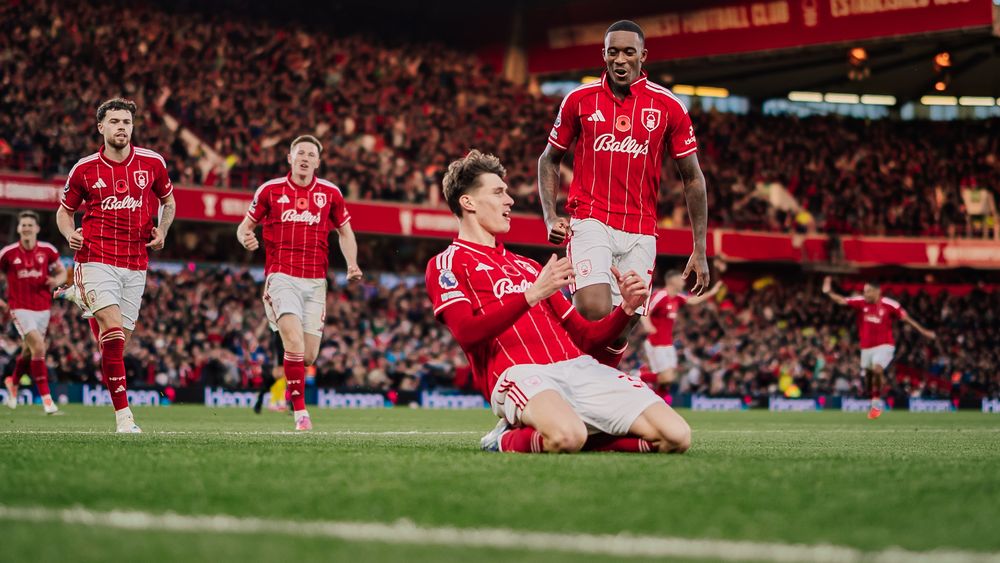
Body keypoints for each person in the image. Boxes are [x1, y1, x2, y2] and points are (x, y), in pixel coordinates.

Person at [427, 150, 691, 454]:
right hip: (520, 372)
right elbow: (467, 334)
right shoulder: (446, 263)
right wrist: (530, 296)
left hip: (578, 367)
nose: (510, 200)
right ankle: (502, 439)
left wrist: (626, 310)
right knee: (566, 437)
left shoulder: (530, 267)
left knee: (676, 437)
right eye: (499, 192)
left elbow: (588, 337)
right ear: (468, 202)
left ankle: (568, 431)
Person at [537, 19, 710, 368]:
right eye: (612, 52)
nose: (620, 59)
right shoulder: (579, 100)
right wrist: (551, 215)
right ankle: (570, 369)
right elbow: (549, 159)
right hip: (590, 220)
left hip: (641, 231)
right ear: (603, 54)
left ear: (642, 56)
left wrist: (700, 248)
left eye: (629, 52)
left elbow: (693, 178)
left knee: (623, 323)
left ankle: (592, 384)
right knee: (594, 307)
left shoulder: (668, 106)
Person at [56, 98, 176, 433]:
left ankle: (82, 299)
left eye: (126, 122)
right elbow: (64, 210)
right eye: (115, 121)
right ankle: (124, 417)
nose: (121, 127)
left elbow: (169, 201)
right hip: (95, 258)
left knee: (118, 342)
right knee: (110, 329)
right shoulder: (84, 168)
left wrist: (163, 229)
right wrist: (69, 233)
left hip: (136, 263)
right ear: (101, 127)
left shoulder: (152, 163)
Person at [237, 135, 362, 431]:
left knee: (307, 355)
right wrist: (245, 238)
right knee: (292, 342)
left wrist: (352, 263)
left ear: (318, 161)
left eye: (311, 154)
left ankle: (280, 332)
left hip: (316, 282)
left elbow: (345, 232)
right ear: (290, 158)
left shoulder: (330, 193)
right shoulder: (270, 190)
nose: (305, 158)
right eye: (300, 153)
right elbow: (245, 227)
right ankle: (300, 413)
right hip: (281, 276)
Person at [822, 277, 936, 419]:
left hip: (885, 345)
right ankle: (874, 402)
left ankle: (876, 404)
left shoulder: (890, 305)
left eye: (868, 291)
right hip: (866, 348)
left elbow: (908, 319)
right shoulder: (861, 302)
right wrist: (829, 292)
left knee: (877, 368)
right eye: (864, 291)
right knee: (869, 379)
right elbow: (842, 300)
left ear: (877, 292)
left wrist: (924, 331)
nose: (866, 294)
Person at [0, 211, 66, 413]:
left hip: (43, 309)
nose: (27, 228)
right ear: (19, 229)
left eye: (30, 225)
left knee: (28, 351)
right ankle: (47, 400)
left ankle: (13, 381)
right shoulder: (8, 253)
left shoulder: (48, 251)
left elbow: (63, 272)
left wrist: (56, 281)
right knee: (38, 347)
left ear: (37, 229)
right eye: (24, 225)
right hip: (19, 308)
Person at [642, 271, 722, 393]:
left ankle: (661, 403)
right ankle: (636, 376)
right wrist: (647, 325)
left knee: (669, 379)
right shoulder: (661, 296)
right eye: (681, 279)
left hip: (668, 344)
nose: (684, 282)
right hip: (656, 343)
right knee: (666, 377)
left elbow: (692, 300)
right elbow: (645, 309)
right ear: (672, 281)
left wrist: (711, 292)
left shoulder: (677, 298)